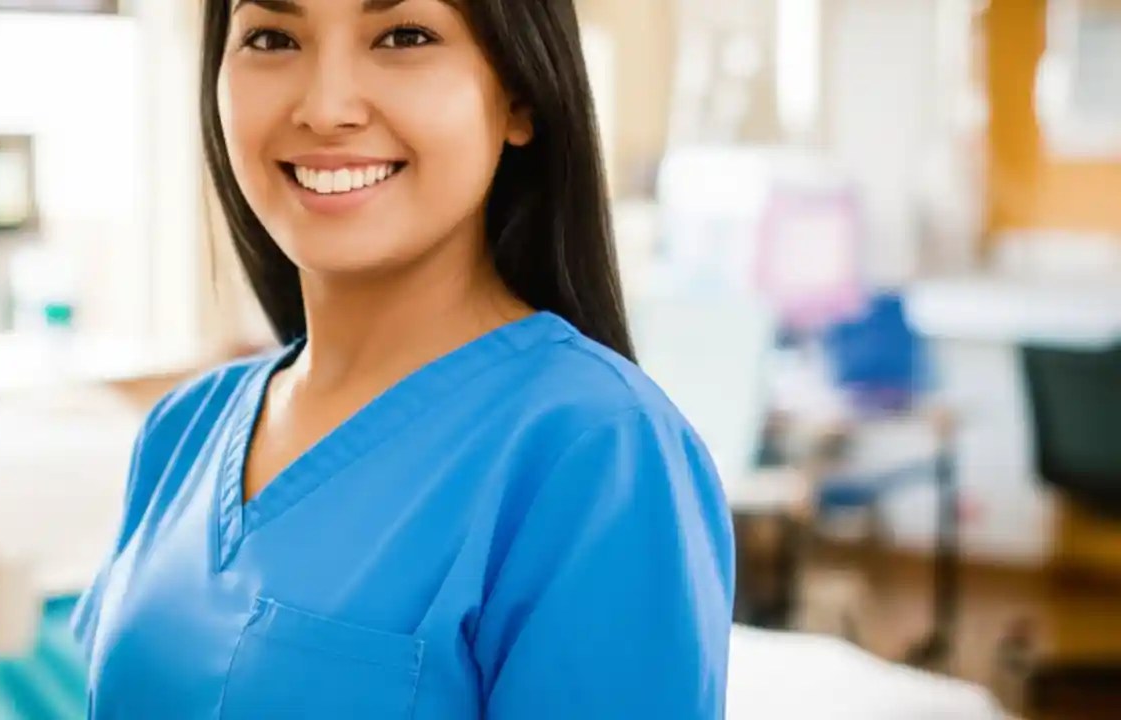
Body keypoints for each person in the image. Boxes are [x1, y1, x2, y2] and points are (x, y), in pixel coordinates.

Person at [73, 0, 734, 717]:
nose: (325, 108)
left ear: (519, 94)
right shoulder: (182, 433)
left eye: (404, 36)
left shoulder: (597, 451)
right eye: (271, 37)